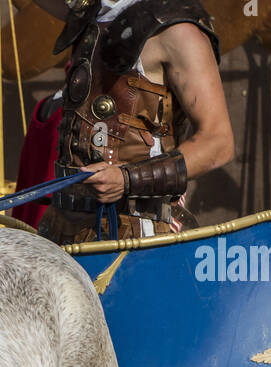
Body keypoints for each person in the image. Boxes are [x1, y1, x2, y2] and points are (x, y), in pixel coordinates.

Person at [27, 0, 234, 244]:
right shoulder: (94, 13)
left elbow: (218, 143)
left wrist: (125, 179)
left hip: (137, 230)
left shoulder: (178, 32)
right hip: (61, 227)